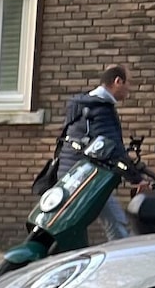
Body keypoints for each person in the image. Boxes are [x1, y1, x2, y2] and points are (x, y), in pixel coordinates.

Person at [54, 64, 131, 239]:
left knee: (72, 225)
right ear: (117, 81)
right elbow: (114, 149)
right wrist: (136, 178)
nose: (129, 89)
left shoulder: (83, 103)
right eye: (128, 83)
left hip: (68, 173)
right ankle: (123, 262)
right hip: (87, 177)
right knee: (116, 223)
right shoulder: (101, 108)